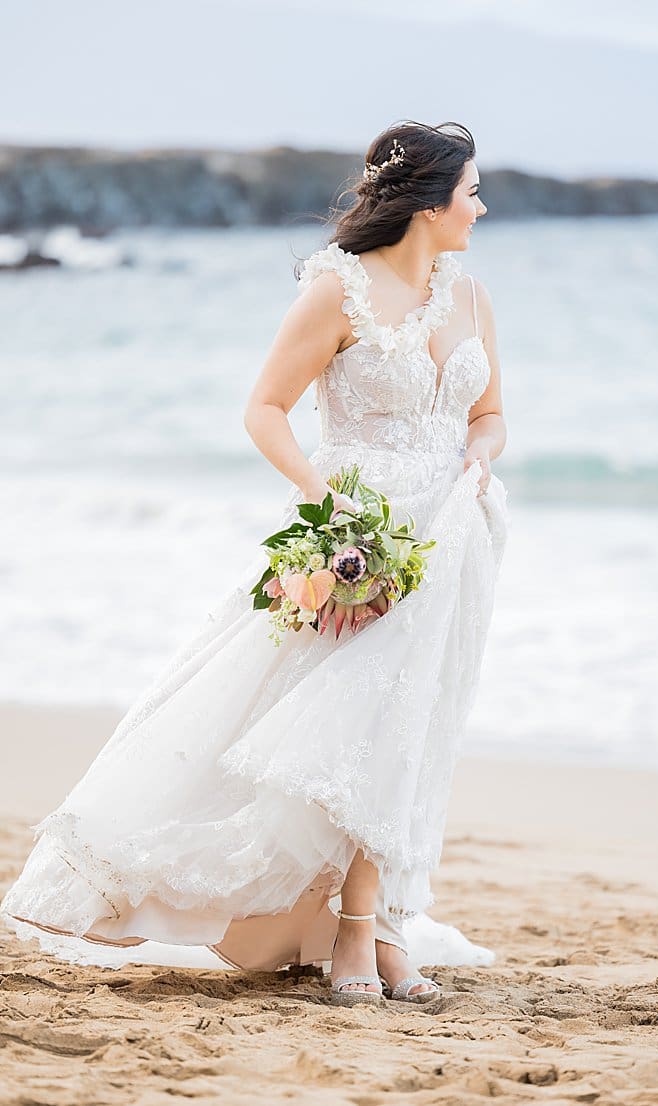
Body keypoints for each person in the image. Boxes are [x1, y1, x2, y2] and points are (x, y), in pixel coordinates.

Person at [0, 120, 511, 1008]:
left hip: (454, 534)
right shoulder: (336, 290)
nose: (481, 206)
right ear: (429, 203)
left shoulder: (471, 297)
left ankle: (381, 930)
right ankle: (360, 939)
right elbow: (266, 410)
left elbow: (491, 413)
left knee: (406, 734)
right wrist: (325, 497)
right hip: (356, 536)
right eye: (471, 191)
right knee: (342, 736)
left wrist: (480, 461)